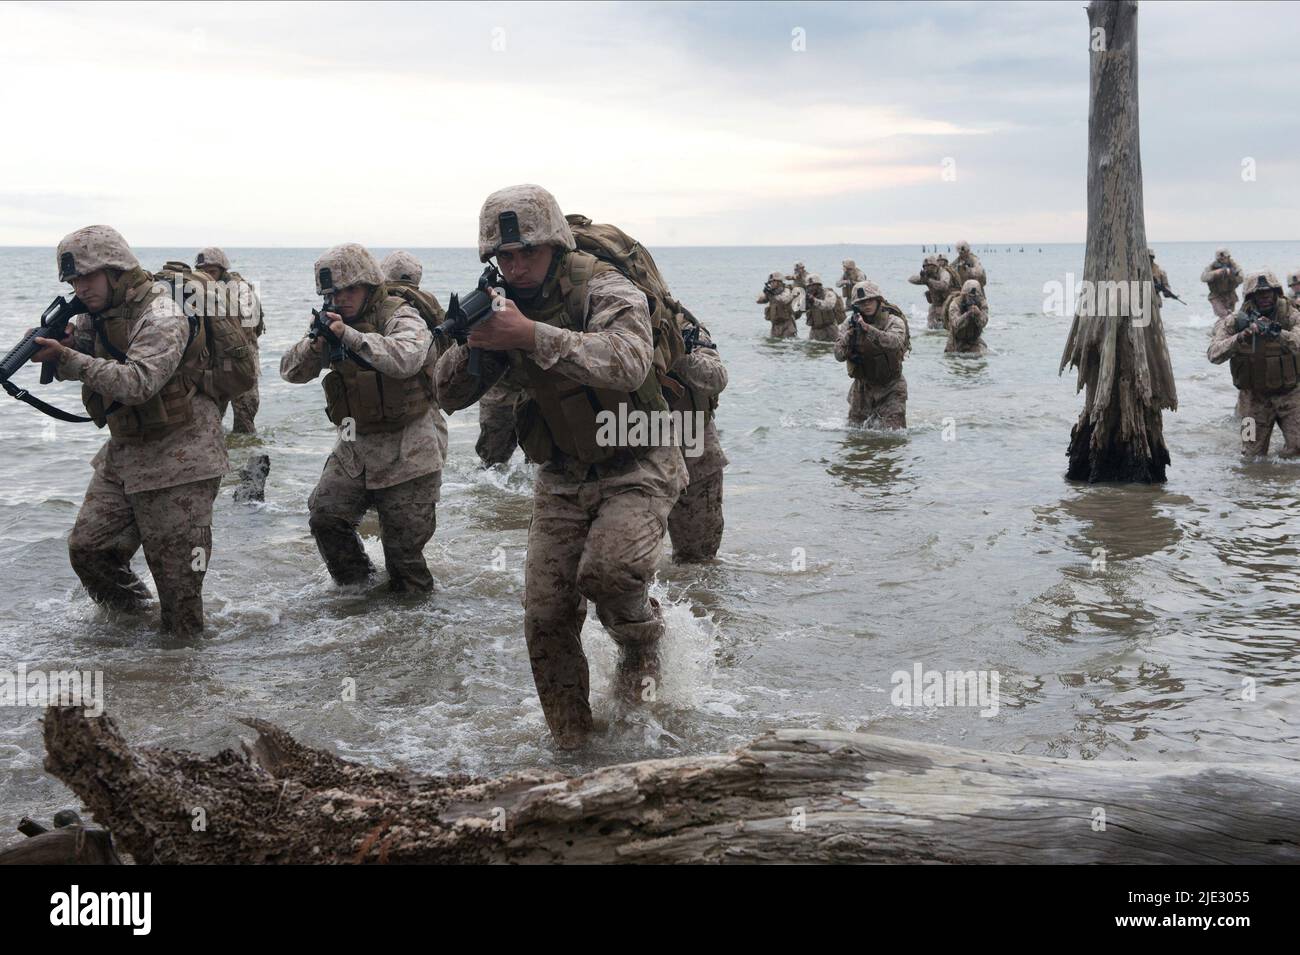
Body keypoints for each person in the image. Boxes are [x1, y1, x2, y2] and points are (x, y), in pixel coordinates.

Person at [434, 184, 687, 748]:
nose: (514, 264)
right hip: (563, 473)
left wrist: (529, 334)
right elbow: (448, 396)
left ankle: (642, 638)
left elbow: (628, 361)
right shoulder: (505, 301)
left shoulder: (602, 284)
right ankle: (571, 745)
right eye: (503, 256)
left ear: (554, 244)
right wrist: (476, 343)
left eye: (526, 251)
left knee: (609, 572)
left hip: (639, 455)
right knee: (545, 611)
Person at [32, 225, 228, 635]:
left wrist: (69, 358)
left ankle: (184, 677)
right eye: (73, 280)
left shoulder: (162, 313)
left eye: (87, 277)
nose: (80, 288)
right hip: (126, 453)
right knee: (89, 550)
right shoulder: (100, 314)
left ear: (117, 270)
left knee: (178, 593)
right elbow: (96, 357)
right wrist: (65, 346)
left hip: (183, 457)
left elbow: (139, 382)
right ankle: (135, 631)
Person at [280, 243, 447, 592]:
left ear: (370, 285)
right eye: (333, 292)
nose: (340, 298)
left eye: (349, 289)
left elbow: (407, 357)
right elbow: (290, 372)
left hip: (410, 448)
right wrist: (315, 342)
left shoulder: (399, 315)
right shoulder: (333, 322)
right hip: (355, 446)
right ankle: (360, 592)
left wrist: (349, 336)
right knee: (326, 517)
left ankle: (414, 630)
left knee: (405, 563)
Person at [1207, 271, 1300, 457]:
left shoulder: (1290, 315)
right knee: (1250, 456)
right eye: (1259, 293)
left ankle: (1283, 478)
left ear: (1276, 293)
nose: (1265, 297)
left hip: (1291, 394)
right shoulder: (1235, 321)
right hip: (1252, 399)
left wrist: (1279, 334)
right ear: (1251, 296)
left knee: (1298, 448)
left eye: (1268, 292)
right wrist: (1241, 337)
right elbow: (1214, 354)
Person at [665, 319, 728, 562]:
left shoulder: (683, 326)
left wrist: (676, 355)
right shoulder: (606, 322)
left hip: (695, 452)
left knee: (698, 560)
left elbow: (717, 377)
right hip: (631, 450)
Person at [195, 247, 264, 433]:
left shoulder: (240, 289)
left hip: (242, 364)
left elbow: (246, 320)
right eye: (203, 272)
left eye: (212, 272)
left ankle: (249, 458)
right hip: (216, 367)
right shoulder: (199, 291)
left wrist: (216, 305)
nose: (207, 276)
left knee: (245, 425)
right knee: (212, 423)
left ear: (222, 271)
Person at [833, 279, 910, 428]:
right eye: (862, 302)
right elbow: (838, 355)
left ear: (878, 301)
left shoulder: (893, 321)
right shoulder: (849, 324)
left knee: (894, 435)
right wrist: (849, 335)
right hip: (862, 388)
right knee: (854, 433)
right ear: (856, 306)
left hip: (891, 386)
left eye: (870, 300)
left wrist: (868, 329)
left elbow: (895, 343)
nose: (866, 305)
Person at [945, 279, 989, 355]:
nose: (972, 299)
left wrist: (978, 314)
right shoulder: (955, 304)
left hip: (973, 340)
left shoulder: (982, 303)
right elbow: (955, 324)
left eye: (975, 296)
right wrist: (967, 314)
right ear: (964, 295)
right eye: (969, 296)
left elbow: (984, 323)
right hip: (956, 341)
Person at [908, 254, 952, 329]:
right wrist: (923, 278)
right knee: (930, 327)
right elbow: (911, 279)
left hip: (947, 303)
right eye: (925, 267)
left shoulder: (943, 273)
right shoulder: (928, 275)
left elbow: (944, 285)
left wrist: (929, 281)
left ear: (934, 266)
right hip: (935, 305)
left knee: (947, 327)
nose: (926, 269)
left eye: (929, 267)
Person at [1201, 248, 1244, 319]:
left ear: (1228, 257)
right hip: (1216, 296)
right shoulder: (1212, 266)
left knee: (1230, 316)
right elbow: (1203, 278)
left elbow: (1241, 279)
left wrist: (1231, 274)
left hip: (1230, 295)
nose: (1223, 260)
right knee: (1224, 315)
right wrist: (1216, 273)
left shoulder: (1234, 265)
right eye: (1221, 259)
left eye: (1225, 258)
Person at [802, 274, 845, 342]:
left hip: (830, 329)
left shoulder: (828, 293)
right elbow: (797, 311)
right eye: (809, 286)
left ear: (818, 285)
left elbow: (829, 305)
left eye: (813, 286)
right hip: (815, 330)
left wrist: (814, 301)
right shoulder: (807, 296)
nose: (811, 288)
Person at [757, 271, 798, 338]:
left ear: (779, 282)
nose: (771, 284)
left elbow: (784, 300)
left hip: (787, 324)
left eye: (773, 282)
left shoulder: (786, 290)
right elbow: (759, 301)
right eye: (770, 282)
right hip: (775, 325)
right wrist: (765, 293)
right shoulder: (771, 292)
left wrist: (773, 295)